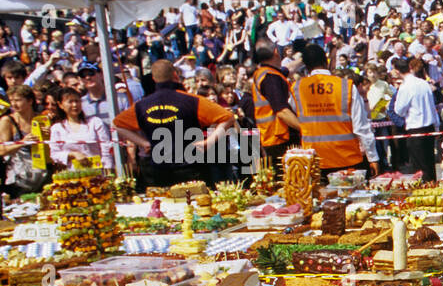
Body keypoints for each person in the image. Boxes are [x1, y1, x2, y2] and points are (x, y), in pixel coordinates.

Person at [113, 59, 235, 187]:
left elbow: (117, 125)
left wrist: (143, 143)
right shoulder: (192, 101)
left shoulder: (141, 106)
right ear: (175, 75)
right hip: (191, 166)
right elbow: (228, 118)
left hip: (159, 168)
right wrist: (209, 142)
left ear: (154, 78)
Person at [290, 44, 379, 178]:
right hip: (348, 161)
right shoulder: (346, 86)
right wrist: (373, 157)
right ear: (327, 62)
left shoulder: (297, 88)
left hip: (315, 163)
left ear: (306, 66)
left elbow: (293, 115)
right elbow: (361, 127)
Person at [249, 41, 302, 178]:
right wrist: (305, 129)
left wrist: (303, 57)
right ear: (276, 53)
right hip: (279, 137)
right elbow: (282, 111)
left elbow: (288, 69)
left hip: (271, 135)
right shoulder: (271, 78)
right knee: (290, 180)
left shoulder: (265, 72)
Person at [391, 55, 440, 180]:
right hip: (429, 127)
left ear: (397, 71)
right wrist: (437, 125)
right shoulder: (423, 83)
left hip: (415, 128)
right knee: (429, 165)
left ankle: (425, 192)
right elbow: (432, 106)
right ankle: (431, 187)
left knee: (419, 167)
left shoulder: (405, 87)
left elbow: (399, 110)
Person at [49, 86, 112, 167]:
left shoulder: (95, 122)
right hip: (73, 174)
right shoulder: (57, 128)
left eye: (77, 101)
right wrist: (72, 154)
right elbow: (54, 154)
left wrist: (108, 169)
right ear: (60, 105)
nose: (75, 105)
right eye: (70, 102)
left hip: (98, 172)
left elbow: (106, 148)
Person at [0, 85, 44, 196]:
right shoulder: (8, 121)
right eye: (11, 101)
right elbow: (2, 150)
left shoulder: (41, 119)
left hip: (43, 175)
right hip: (18, 178)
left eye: (18, 100)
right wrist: (22, 143)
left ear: (30, 101)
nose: (14, 104)